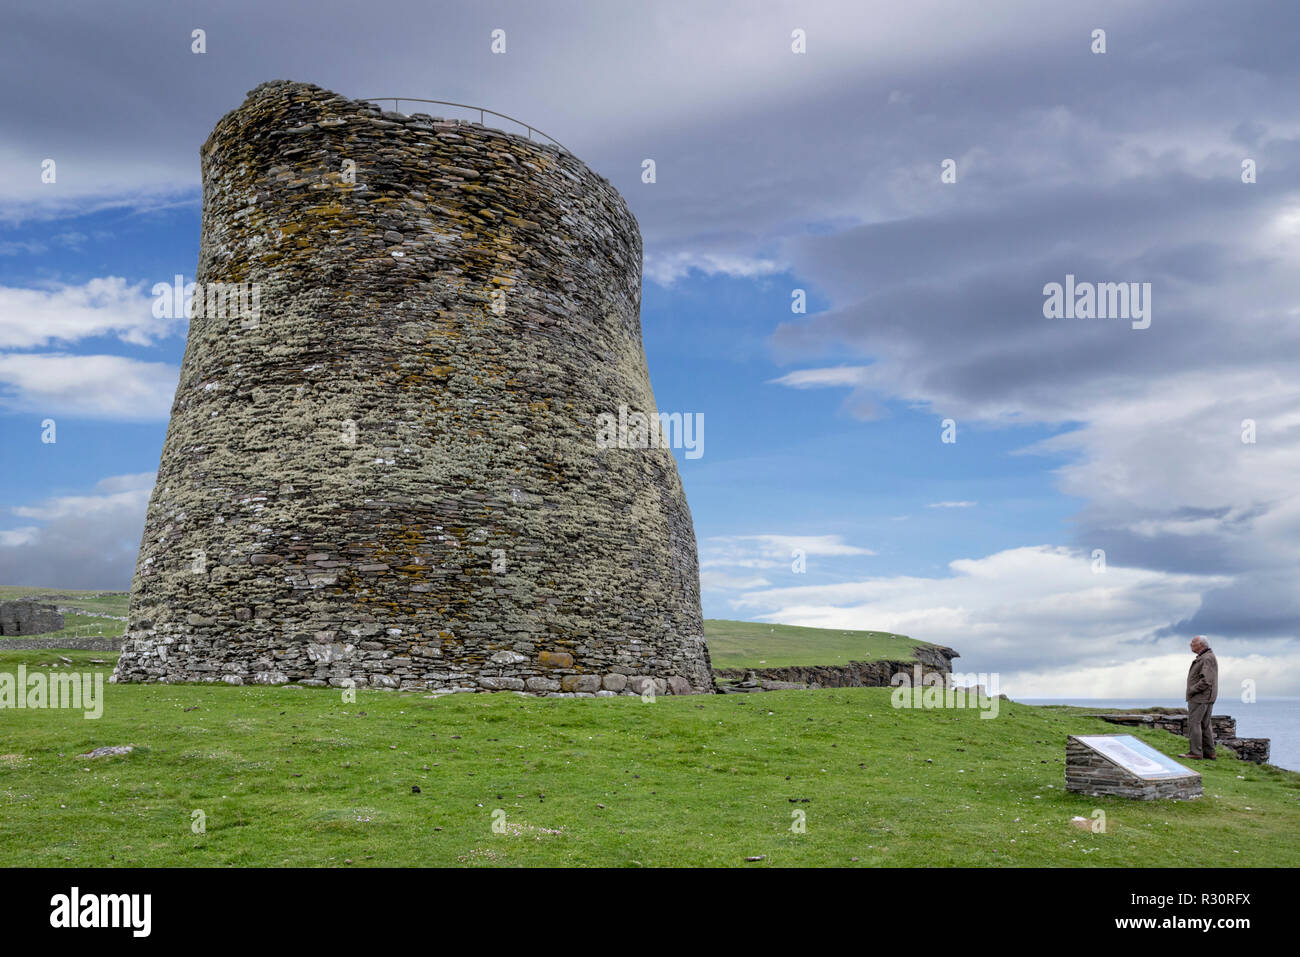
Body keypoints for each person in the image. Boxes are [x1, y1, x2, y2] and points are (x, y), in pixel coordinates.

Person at [1180, 635, 1218, 760]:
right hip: (1205, 697)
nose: (1190, 644)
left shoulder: (1206, 658)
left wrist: (1192, 690)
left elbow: (1206, 680)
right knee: (1204, 724)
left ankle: (1195, 753)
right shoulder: (1206, 657)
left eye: (1193, 642)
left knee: (1194, 723)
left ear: (1201, 645)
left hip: (1200, 697)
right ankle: (1210, 753)